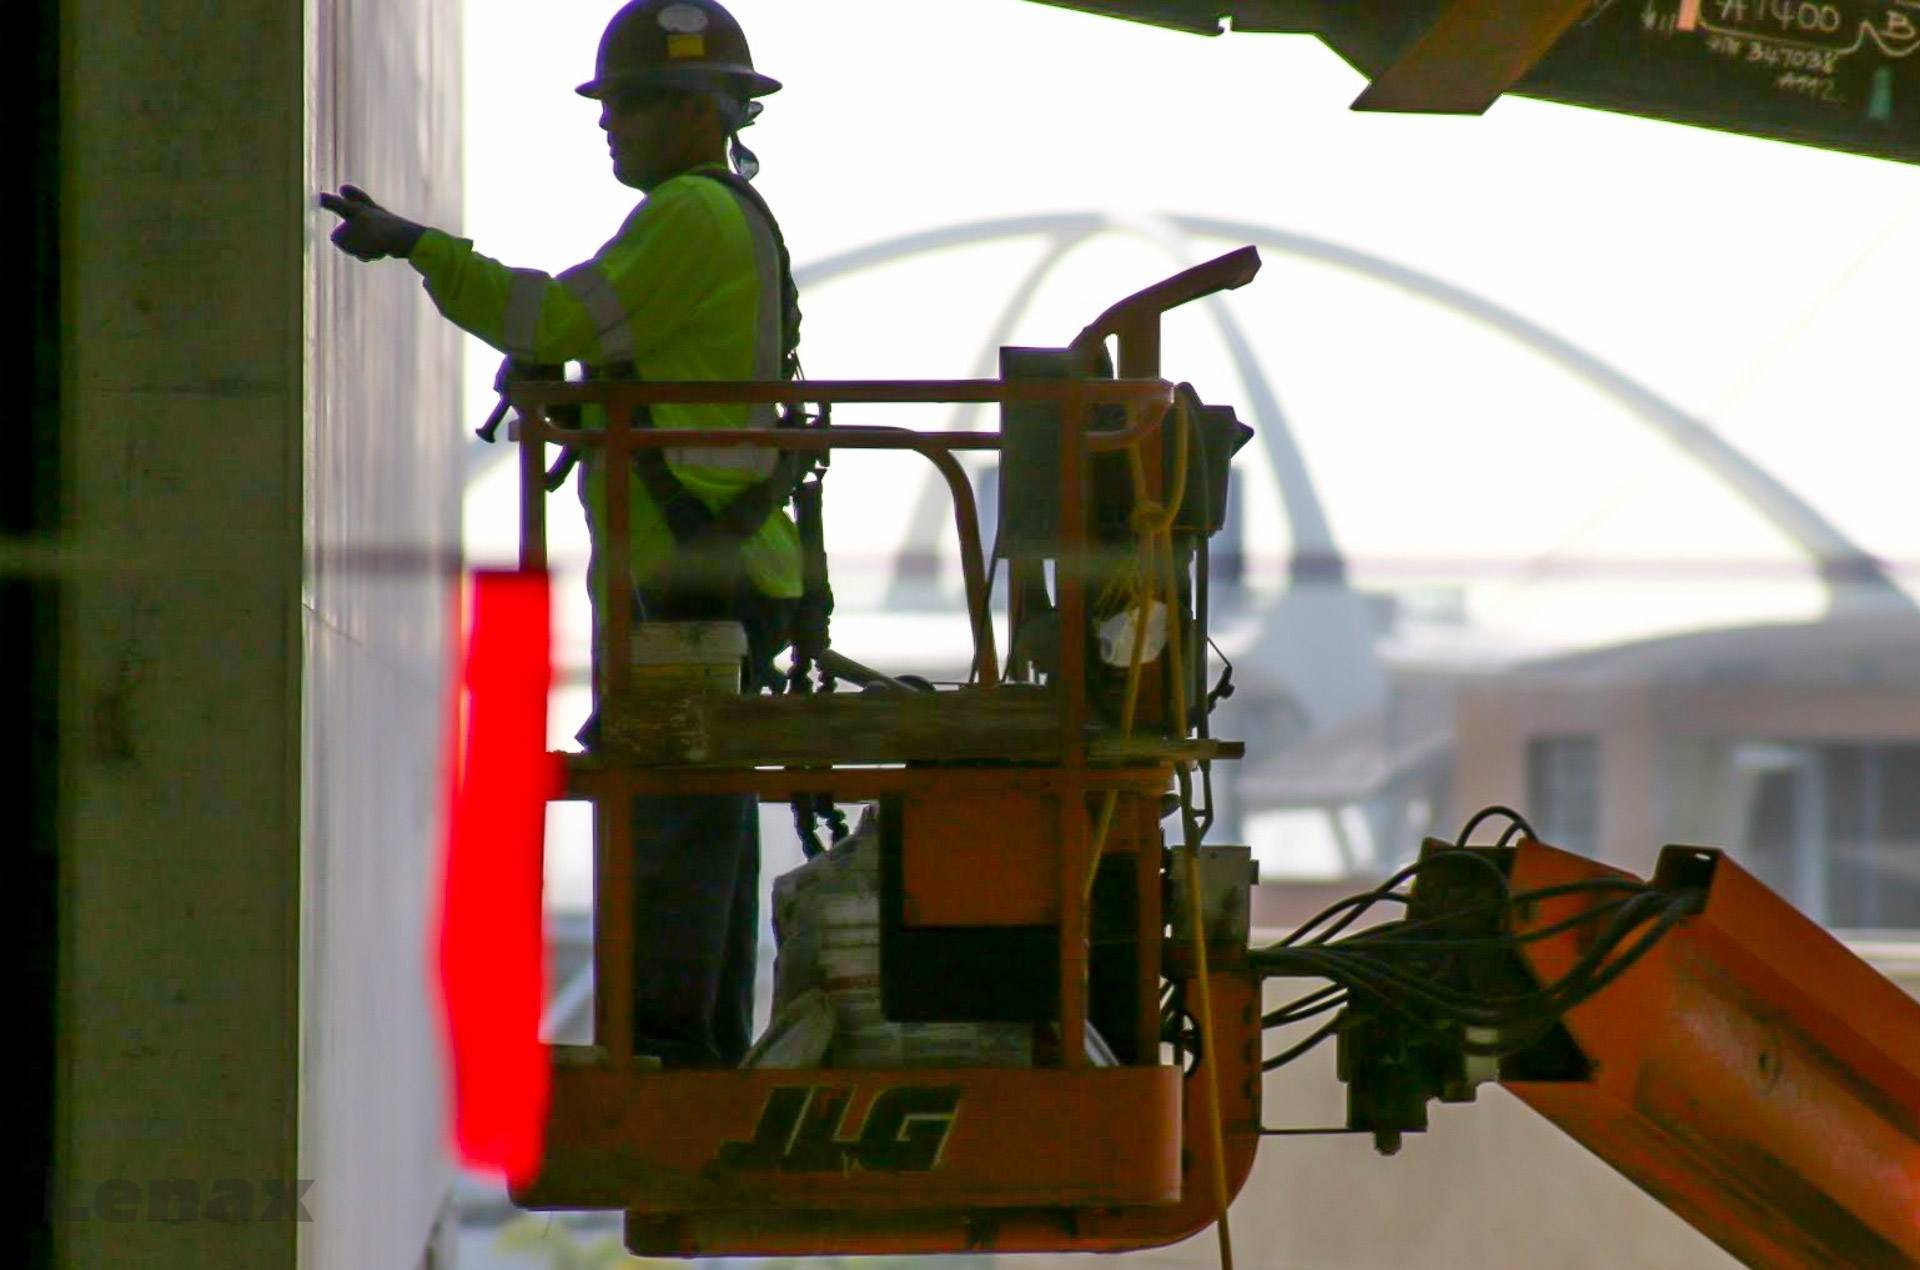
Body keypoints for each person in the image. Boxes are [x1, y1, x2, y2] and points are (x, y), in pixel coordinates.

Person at [320, 0, 802, 1067]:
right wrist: (586, 393)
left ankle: (669, 1052)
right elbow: (664, 380)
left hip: (691, 573)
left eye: (630, 103)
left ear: (698, 110)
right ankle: (694, 1046)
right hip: (710, 568)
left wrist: (420, 248)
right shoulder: (720, 217)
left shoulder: (690, 212)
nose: (607, 123)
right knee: (700, 804)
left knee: (671, 809)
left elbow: (553, 316)